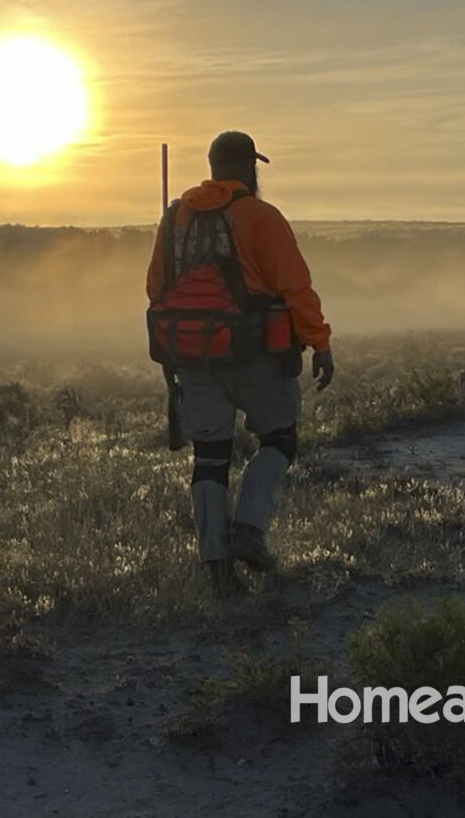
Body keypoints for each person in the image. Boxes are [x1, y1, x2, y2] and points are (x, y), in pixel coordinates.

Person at [146, 131, 334, 596]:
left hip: (194, 357)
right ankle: (250, 529)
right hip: (258, 357)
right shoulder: (261, 217)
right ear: (250, 169)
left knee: (209, 460)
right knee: (279, 439)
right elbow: (296, 288)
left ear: (212, 168)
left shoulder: (175, 219)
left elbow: (156, 288)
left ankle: (218, 569)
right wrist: (320, 343)